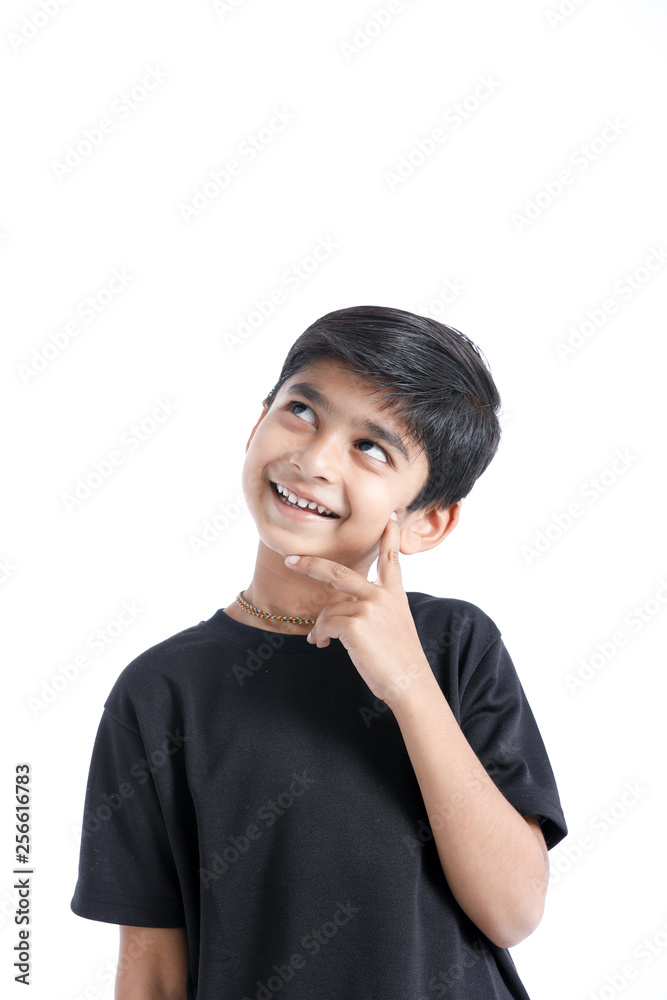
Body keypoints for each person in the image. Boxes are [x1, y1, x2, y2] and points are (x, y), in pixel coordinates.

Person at [71, 305, 567, 999]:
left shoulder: (456, 645)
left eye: (371, 447)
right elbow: (151, 968)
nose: (314, 458)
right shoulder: (160, 690)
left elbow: (512, 910)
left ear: (428, 519)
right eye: (301, 410)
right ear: (255, 423)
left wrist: (406, 687)